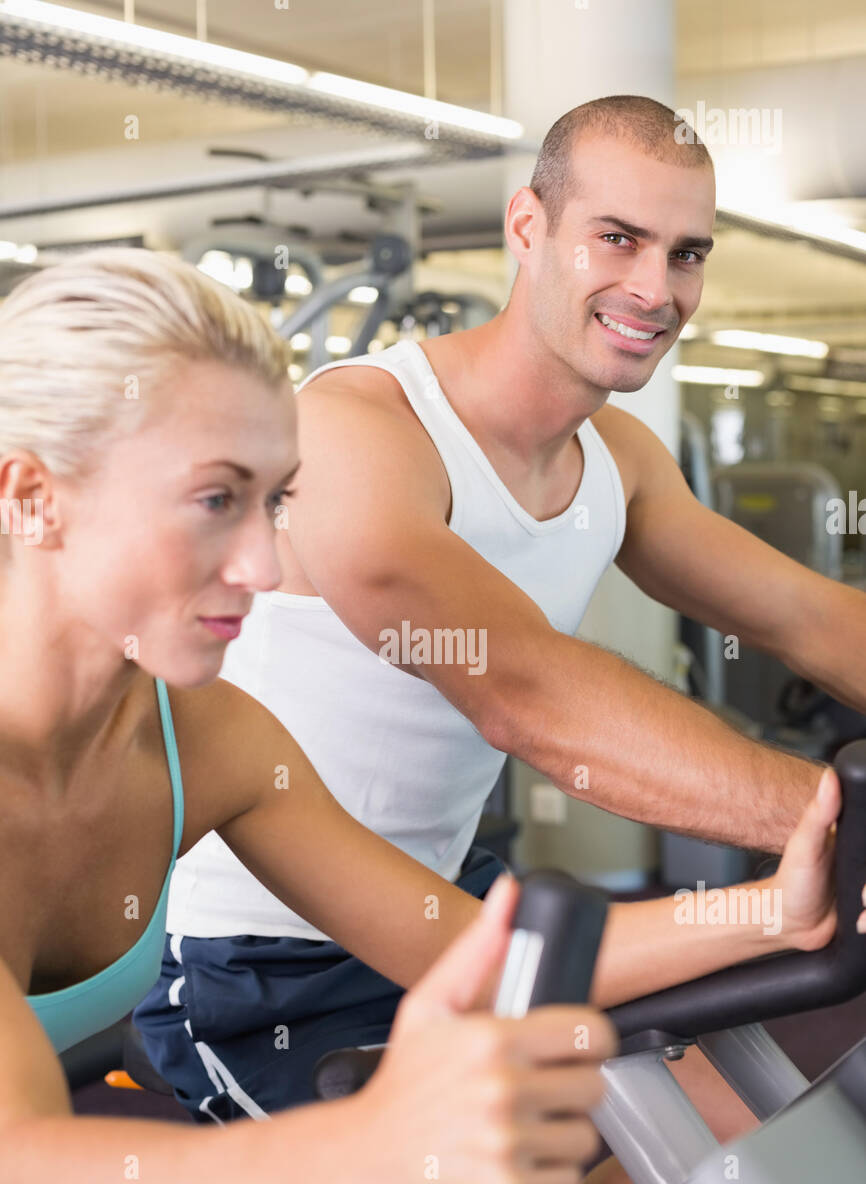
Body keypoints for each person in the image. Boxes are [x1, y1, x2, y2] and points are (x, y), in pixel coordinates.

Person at [139, 94, 866, 1128]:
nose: (653, 288)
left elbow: (806, 616)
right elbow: (520, 692)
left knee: (731, 1119)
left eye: (684, 253)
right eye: (616, 239)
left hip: (462, 908)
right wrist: (833, 822)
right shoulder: (357, 431)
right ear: (528, 227)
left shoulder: (617, 462)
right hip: (269, 966)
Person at [0, 249, 616, 1184]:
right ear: (34, 496)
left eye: (273, 503)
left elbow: (446, 939)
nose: (264, 567)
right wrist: (368, 1152)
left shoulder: (205, 734)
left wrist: (772, 913)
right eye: (212, 500)